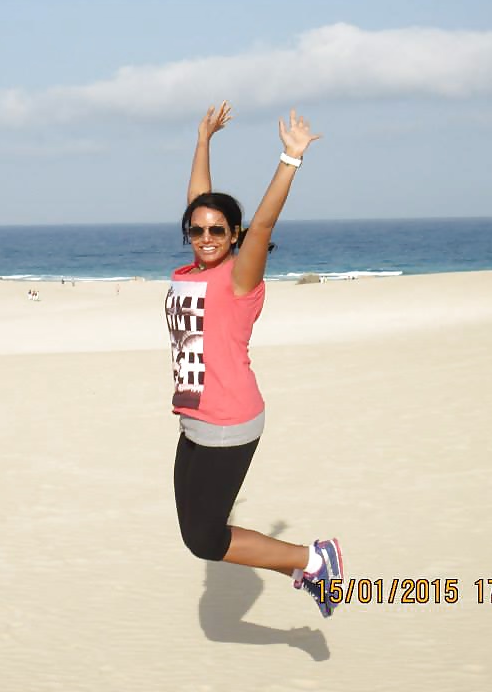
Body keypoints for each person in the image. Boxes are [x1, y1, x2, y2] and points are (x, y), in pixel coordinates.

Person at [165, 101, 344, 618]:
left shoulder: (239, 278)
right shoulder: (194, 269)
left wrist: (290, 159)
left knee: (205, 540)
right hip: (195, 420)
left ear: (235, 236)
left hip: (229, 420)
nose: (205, 237)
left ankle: (312, 560)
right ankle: (305, 564)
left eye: (218, 231)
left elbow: (262, 225)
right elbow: (202, 199)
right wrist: (203, 139)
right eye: (197, 230)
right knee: (195, 530)